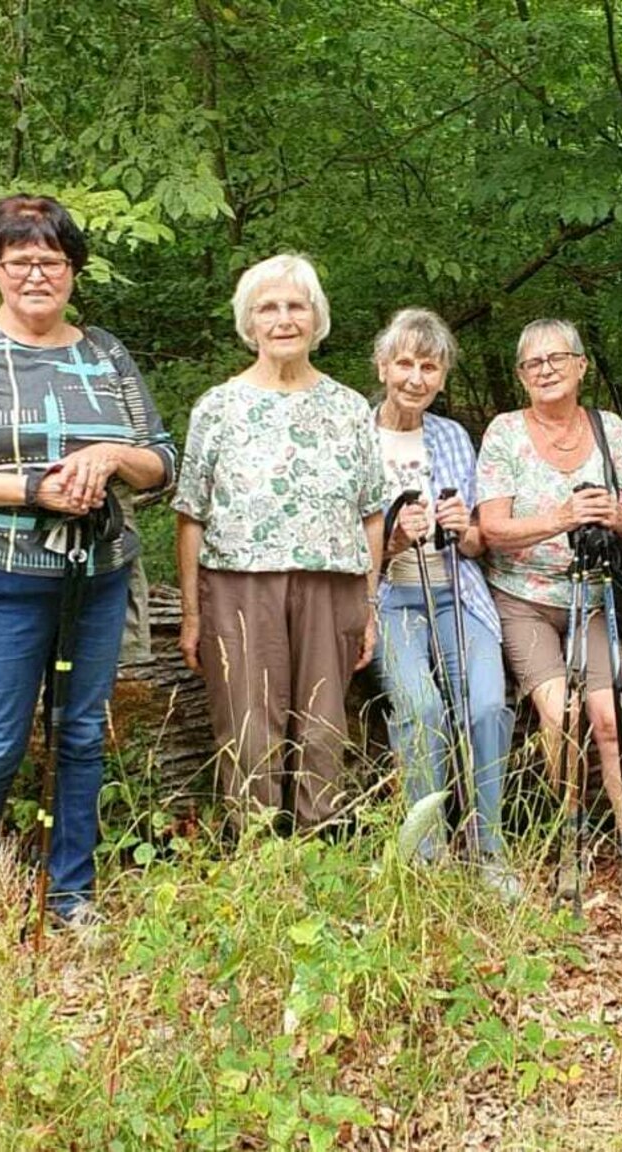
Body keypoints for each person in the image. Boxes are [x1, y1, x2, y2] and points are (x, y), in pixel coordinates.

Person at [0, 195, 175, 940]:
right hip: (0, 572)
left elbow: (162, 462)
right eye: (19, 260)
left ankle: (71, 893)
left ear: (72, 270)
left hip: (97, 571)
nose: (36, 274)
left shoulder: (106, 351)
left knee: (82, 733)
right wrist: (34, 488)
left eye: (51, 260)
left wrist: (109, 456)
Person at [176, 254, 384, 836]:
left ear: (317, 318)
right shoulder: (218, 406)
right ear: (249, 322)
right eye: (268, 307)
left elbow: (372, 512)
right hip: (241, 585)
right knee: (248, 725)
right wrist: (192, 614)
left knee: (322, 725)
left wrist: (367, 605)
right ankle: (256, 853)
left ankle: (319, 849)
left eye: (297, 306)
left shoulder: (348, 407)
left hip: (332, 583)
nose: (284, 318)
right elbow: (189, 515)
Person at [475, 318, 622, 910]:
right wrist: (560, 518)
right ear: (520, 376)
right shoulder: (505, 431)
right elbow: (491, 529)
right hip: (524, 598)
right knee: (560, 714)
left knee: (611, 719)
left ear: (582, 366)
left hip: (595, 595)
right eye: (533, 364)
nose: (546, 370)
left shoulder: (608, 428)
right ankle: (571, 838)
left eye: (557, 358)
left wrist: (615, 515)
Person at [369, 308, 519, 898]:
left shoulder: (452, 436)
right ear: (383, 367)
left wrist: (465, 526)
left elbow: (479, 540)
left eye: (428, 366)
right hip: (387, 599)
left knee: (486, 706)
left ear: (442, 375)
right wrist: (395, 534)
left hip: (456, 595)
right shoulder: (355, 433)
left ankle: (488, 846)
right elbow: (342, 544)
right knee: (422, 709)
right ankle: (423, 852)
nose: (415, 377)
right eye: (404, 363)